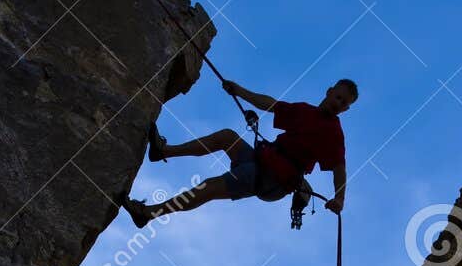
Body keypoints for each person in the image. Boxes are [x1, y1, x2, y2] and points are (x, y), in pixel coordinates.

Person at [120, 78, 356, 227]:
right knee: (226, 137)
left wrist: (340, 198)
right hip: (261, 159)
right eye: (338, 96)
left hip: (272, 178)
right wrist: (239, 91)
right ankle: (163, 151)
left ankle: (149, 213)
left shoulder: (333, 133)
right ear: (329, 91)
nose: (338, 103)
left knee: (209, 187)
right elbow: (271, 105)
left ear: (346, 110)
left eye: (344, 103)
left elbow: (339, 169)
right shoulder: (305, 111)